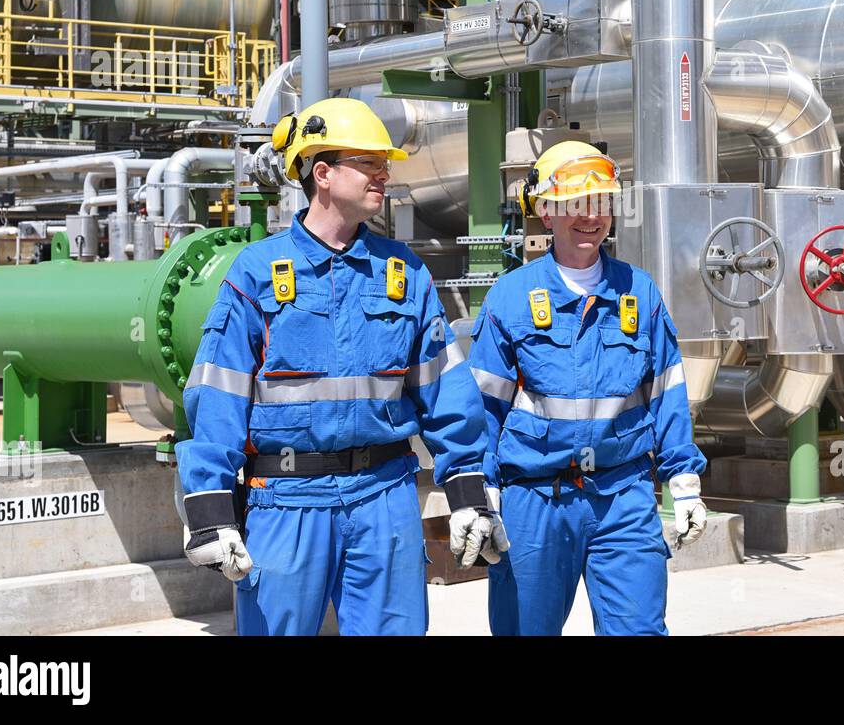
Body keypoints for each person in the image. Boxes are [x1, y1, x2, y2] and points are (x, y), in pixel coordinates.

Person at [176, 97, 507, 635]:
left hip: (384, 496)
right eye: (369, 163)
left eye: (384, 163)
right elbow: (218, 395)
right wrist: (211, 510)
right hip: (285, 501)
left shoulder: (404, 273)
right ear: (323, 174)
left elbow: (446, 391)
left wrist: (469, 492)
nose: (384, 174)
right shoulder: (258, 272)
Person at [467, 140, 708, 636]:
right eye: (575, 203)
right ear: (546, 211)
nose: (590, 216)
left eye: (601, 202)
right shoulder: (510, 298)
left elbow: (667, 393)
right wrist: (479, 494)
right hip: (535, 499)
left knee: (638, 629)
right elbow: (484, 410)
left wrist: (684, 482)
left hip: (623, 497)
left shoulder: (639, 291)